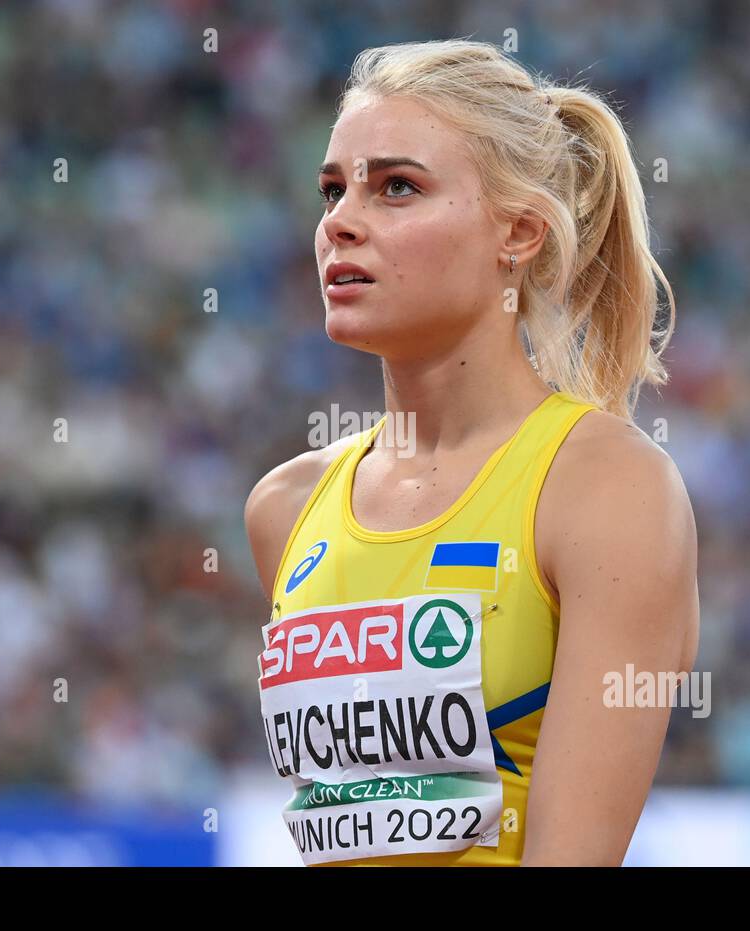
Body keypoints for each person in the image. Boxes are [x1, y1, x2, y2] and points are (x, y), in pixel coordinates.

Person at [245, 38, 699, 866]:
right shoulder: (285, 506)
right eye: (332, 189)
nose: (340, 221)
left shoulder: (606, 487)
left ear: (518, 235)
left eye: (397, 188)